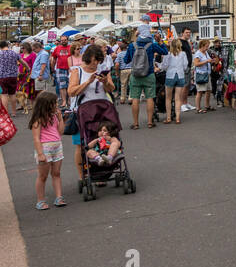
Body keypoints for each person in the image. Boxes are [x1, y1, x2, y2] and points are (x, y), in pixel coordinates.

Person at [67, 44, 112, 186]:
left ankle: (100, 174)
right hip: (82, 113)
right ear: (87, 59)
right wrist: (88, 82)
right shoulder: (77, 71)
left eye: (98, 61)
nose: (96, 64)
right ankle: (82, 176)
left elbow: (111, 88)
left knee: (101, 142)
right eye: (93, 61)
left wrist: (105, 82)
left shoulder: (102, 71)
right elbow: (71, 91)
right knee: (81, 146)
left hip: (100, 111)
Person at [30, 90, 66, 209]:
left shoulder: (54, 116)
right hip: (44, 148)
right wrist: (40, 154)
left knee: (56, 173)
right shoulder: (38, 119)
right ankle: (40, 200)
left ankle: (59, 197)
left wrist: (60, 119)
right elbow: (36, 138)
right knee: (43, 176)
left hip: (57, 146)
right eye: (54, 103)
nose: (57, 105)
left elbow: (60, 132)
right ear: (47, 104)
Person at [122, 23, 162, 128]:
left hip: (135, 75)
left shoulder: (132, 45)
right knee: (150, 98)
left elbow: (126, 60)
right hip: (149, 74)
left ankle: (135, 123)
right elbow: (165, 52)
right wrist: (159, 41)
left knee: (135, 98)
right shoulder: (152, 45)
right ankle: (149, 122)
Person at [159, 37, 188, 124]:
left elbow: (164, 66)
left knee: (168, 98)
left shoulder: (168, 54)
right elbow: (185, 66)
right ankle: (178, 118)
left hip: (170, 76)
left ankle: (168, 118)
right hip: (180, 76)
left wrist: (159, 66)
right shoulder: (183, 54)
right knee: (178, 98)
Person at [192, 38, 213, 112]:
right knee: (200, 91)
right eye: (206, 46)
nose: (207, 48)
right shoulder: (198, 54)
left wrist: (211, 60)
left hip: (207, 74)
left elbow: (209, 59)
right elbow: (196, 64)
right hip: (201, 74)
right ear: (202, 46)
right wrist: (206, 61)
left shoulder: (205, 52)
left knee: (208, 90)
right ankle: (198, 108)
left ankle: (207, 105)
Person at [0, 40, 19, 117]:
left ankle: (6, 113)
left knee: (4, 95)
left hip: (2, 76)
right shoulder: (14, 53)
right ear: (7, 45)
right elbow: (22, 61)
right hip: (13, 76)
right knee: (12, 94)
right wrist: (27, 68)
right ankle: (14, 112)